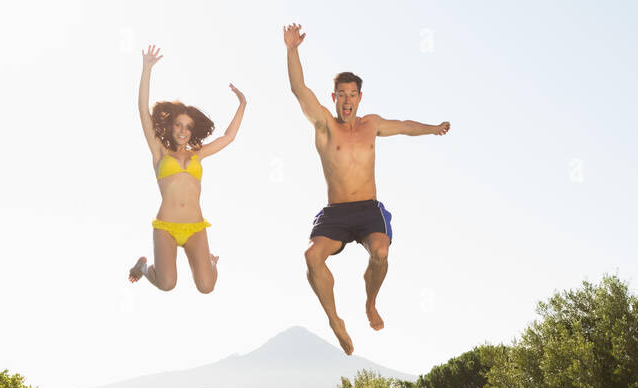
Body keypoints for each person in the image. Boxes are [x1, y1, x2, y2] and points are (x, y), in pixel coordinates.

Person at [283, 24, 451, 355]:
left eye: (352, 94)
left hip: (368, 209)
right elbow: (298, 89)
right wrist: (292, 50)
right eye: (341, 94)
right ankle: (335, 320)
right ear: (334, 98)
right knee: (312, 255)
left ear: (360, 97)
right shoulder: (324, 124)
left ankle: (370, 302)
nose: (347, 100)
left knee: (382, 252)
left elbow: (403, 127)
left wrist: (433, 129)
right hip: (335, 213)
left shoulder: (370, 124)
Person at [129, 45, 246, 294]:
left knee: (206, 286)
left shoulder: (198, 155)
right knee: (167, 283)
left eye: (188, 127)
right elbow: (142, 110)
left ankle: (210, 262)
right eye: (179, 125)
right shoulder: (159, 151)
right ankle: (142, 268)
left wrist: (242, 103)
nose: (183, 131)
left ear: (192, 132)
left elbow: (228, 137)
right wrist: (147, 68)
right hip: (167, 227)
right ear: (171, 127)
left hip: (195, 227)